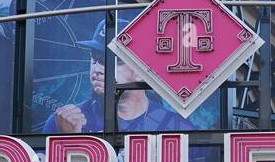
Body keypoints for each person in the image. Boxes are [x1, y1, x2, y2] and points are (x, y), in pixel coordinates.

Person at [43, 22, 197, 135]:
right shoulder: (66, 121)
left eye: (110, 60)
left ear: (141, 70)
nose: (97, 69)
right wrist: (68, 140)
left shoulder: (177, 128)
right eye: (94, 58)